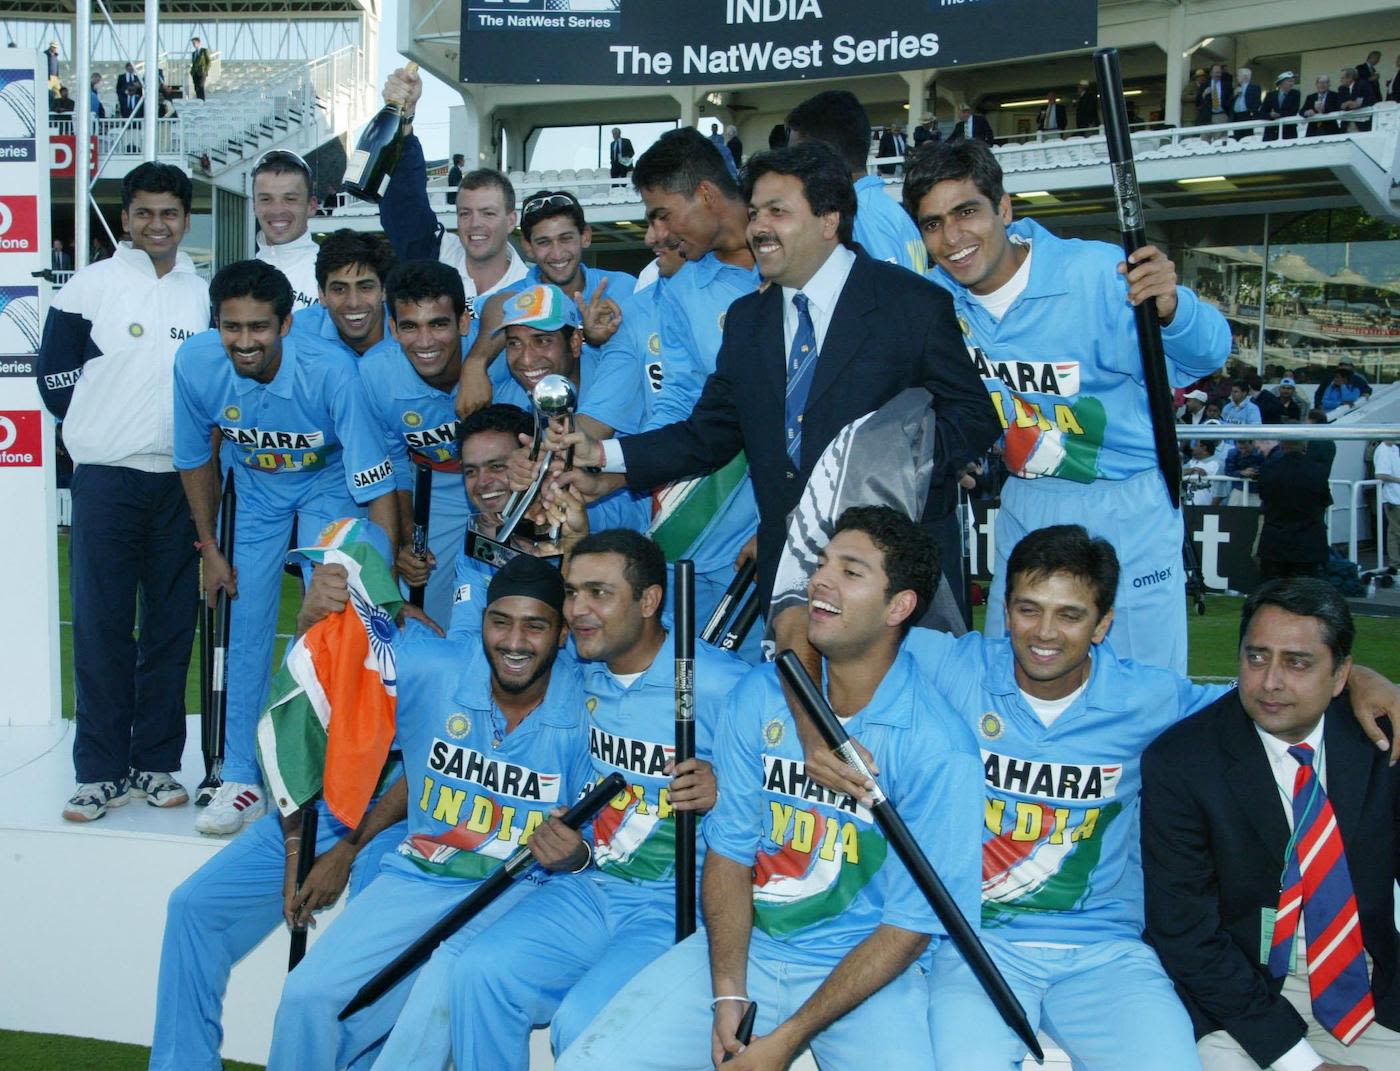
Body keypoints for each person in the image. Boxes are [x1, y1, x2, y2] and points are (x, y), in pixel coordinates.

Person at [794, 523, 1400, 1069]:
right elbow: (806, 623)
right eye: (1028, 610)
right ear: (1003, 612)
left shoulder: (1152, 700)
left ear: (1104, 624)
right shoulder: (955, 666)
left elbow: (1273, 695)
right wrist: (806, 707)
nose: (1045, 634)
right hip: (978, 945)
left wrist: (1364, 680)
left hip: (1108, 950)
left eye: (1070, 615)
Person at [558, 507, 984, 1071]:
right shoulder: (759, 697)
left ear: (899, 607)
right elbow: (730, 854)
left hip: (858, 969)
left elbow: (907, 928)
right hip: (746, 947)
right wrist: (729, 991)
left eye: (851, 572)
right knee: (591, 1062)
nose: (821, 581)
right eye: (822, 563)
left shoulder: (939, 745)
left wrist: (785, 1040)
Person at [557, 140, 999, 638]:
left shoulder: (911, 302)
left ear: (828, 219)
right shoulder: (749, 320)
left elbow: (974, 416)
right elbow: (708, 434)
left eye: (777, 212)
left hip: (894, 577)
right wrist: (605, 453)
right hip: (792, 578)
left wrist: (896, 470)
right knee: (798, 709)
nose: (758, 227)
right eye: (754, 213)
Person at [425, 529, 749, 1070]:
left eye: (599, 593)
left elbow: (789, 786)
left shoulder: (719, 683)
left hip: (677, 904)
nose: (577, 610)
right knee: (478, 973)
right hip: (589, 886)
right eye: (572, 592)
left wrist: (728, 790)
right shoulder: (579, 673)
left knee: (582, 1024)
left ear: (649, 601)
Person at [903, 138, 1231, 673]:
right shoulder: (932, 300)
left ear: (1004, 208)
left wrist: (1173, 307)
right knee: (1009, 681)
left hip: (1127, 504)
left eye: (967, 212)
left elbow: (1209, 355)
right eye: (933, 223)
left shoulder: (1097, 274)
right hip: (1026, 503)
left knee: (1141, 689)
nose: (953, 238)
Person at [266, 554, 594, 1071]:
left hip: (519, 891)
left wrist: (576, 855)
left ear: (561, 635)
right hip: (421, 873)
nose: (513, 642)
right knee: (309, 997)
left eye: (535, 626)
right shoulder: (433, 668)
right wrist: (348, 848)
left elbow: (598, 842)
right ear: (482, 620)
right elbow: (325, 668)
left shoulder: (587, 704)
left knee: (423, 1024)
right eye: (500, 621)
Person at [147, 526, 408, 1071]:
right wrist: (296, 855)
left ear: (370, 573)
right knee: (194, 907)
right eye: (316, 567)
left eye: (338, 566)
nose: (322, 579)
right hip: (310, 817)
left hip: (391, 827)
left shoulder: (420, 646)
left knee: (366, 944)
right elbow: (290, 763)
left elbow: (428, 775)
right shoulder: (313, 641)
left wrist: (346, 852)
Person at [173, 260, 398, 834]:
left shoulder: (332, 372)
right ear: (215, 324)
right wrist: (209, 549)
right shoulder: (196, 363)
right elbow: (195, 458)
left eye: (259, 328)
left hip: (328, 485)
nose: (245, 342)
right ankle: (241, 775)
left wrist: (384, 582)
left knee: (333, 619)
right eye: (232, 327)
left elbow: (376, 482)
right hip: (255, 491)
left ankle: (325, 765)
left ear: (287, 324)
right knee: (246, 624)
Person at [1143, 578, 1400, 1070]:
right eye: (1256, 657)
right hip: (1238, 1003)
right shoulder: (1181, 762)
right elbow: (1187, 935)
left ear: (1342, 674)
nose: (1270, 682)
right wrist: (1303, 1064)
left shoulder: (1379, 739)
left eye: (1297, 662)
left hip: (1372, 993)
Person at [36, 162, 210, 823]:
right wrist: (99, 430)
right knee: (103, 625)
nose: (156, 224)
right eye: (143, 213)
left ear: (185, 219)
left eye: (169, 213)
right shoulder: (90, 286)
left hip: (180, 483)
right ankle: (99, 771)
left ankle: (155, 762)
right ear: (127, 217)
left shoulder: (204, 296)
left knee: (170, 628)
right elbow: (54, 379)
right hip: (107, 478)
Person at [355, 259, 472, 625]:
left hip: (510, 487)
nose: (425, 341)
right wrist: (408, 541)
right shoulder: (376, 373)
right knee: (427, 611)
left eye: (438, 324)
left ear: (464, 321)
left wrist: (479, 364)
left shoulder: (502, 353)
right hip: (433, 486)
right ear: (391, 328)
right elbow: (392, 469)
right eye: (409, 326)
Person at [460, 190, 637, 424]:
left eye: (566, 238)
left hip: (619, 433)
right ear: (528, 247)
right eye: (543, 242)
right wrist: (474, 364)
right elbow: (497, 304)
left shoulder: (623, 287)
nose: (557, 253)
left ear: (585, 236)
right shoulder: (517, 295)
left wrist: (597, 339)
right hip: (544, 433)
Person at [378, 67, 528, 318]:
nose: (475, 224)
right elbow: (404, 203)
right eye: (465, 213)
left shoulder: (531, 290)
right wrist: (403, 118)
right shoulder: (438, 255)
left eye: (488, 213)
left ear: (511, 220)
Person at [785, 89, 927, 273]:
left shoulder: (857, 217)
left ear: (819, 156)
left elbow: (885, 297)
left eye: (796, 157)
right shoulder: (883, 207)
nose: (791, 171)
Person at [292, 228, 393, 358]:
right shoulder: (297, 334)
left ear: (384, 290)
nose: (354, 303)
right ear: (321, 294)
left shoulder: (413, 330)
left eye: (365, 287)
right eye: (339, 289)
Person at [252, 150, 321, 312]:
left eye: (290, 199)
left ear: (311, 206)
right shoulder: (241, 277)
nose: (277, 210)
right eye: (266, 199)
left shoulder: (332, 275)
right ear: (254, 206)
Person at [1257, 434, 1332, 580]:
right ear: (1304, 446)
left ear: (1282, 445)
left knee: (1274, 592)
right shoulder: (1318, 471)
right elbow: (1324, 500)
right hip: (1308, 543)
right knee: (1305, 595)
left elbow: (1264, 497)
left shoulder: (1268, 470)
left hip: (1275, 541)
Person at [1374, 437, 1400, 571]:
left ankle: (1395, 563)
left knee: (1394, 532)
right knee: (1395, 532)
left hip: (1396, 496)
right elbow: (1380, 475)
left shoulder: (1394, 449)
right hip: (1392, 497)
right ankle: (1395, 564)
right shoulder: (1383, 450)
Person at [1262, 71, 1301, 141]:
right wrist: (1270, 115)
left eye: (1293, 81)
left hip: (1289, 131)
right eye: (1289, 81)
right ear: (1281, 83)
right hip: (1271, 131)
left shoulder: (1296, 94)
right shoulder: (1270, 95)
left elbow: (1293, 111)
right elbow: (1262, 112)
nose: (1292, 84)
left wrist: (1278, 115)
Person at [1340, 65, 1380, 132]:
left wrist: (1357, 104)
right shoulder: (1341, 89)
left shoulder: (1363, 85)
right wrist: (1347, 104)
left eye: (1342, 78)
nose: (1340, 80)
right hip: (1347, 122)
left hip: (1363, 122)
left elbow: (1371, 100)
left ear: (1350, 78)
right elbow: (1339, 104)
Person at [1199, 63, 1234, 133]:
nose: (1218, 75)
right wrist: (1204, 94)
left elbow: (1230, 100)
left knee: (1219, 142)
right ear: (1211, 73)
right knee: (1205, 142)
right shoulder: (1204, 85)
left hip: (1221, 115)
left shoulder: (1226, 85)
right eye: (1216, 73)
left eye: (1220, 73)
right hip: (1207, 117)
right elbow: (1197, 102)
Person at [1229, 67, 1262, 138]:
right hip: (1237, 117)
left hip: (1247, 115)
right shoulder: (1236, 89)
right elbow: (1229, 102)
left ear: (1245, 76)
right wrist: (1234, 94)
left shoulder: (1254, 88)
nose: (1237, 77)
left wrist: (1252, 112)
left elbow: (1257, 101)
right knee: (1237, 137)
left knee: (1248, 137)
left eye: (1238, 75)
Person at [1305, 408, 1336, 477]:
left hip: (1311, 480)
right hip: (1323, 480)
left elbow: (1308, 462)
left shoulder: (1315, 442)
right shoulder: (1330, 441)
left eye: (1307, 419)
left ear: (1312, 421)